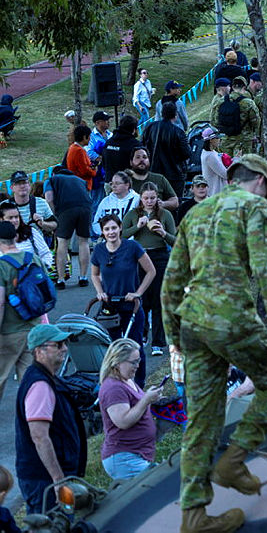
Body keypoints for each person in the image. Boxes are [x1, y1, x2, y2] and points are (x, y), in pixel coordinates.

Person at [163, 155, 267, 533]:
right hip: (232, 320)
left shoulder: (196, 212)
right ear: (261, 183)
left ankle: (193, 515)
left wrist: (173, 335)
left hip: (193, 325)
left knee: (201, 420)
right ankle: (233, 461)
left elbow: (172, 280)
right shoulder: (255, 206)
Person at [17, 324, 89, 514]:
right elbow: (39, 436)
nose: (64, 348)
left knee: (63, 521)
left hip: (50, 477)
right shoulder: (40, 385)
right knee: (53, 523)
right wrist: (58, 480)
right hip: (46, 482)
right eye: (58, 345)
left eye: (64, 343)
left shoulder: (47, 378)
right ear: (39, 351)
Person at [90, 212, 155, 384]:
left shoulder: (132, 247)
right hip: (110, 307)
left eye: (114, 228)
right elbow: (95, 274)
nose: (111, 232)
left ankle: (138, 385)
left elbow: (151, 271)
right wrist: (100, 291)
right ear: (102, 232)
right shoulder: (99, 250)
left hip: (131, 306)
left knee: (134, 348)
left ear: (120, 228)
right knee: (114, 349)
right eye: (107, 229)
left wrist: (138, 293)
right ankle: (118, 384)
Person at [122, 183, 175, 356]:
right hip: (139, 256)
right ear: (141, 198)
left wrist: (163, 233)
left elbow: (176, 240)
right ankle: (142, 334)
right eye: (146, 198)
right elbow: (121, 235)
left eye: (152, 198)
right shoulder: (133, 214)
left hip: (159, 255)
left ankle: (158, 341)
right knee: (141, 297)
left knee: (159, 299)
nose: (149, 201)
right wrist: (137, 226)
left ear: (157, 197)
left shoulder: (165, 214)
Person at [98, 338, 162, 480]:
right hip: (124, 458)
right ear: (117, 362)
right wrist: (146, 400)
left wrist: (152, 400)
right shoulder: (113, 388)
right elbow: (123, 421)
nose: (138, 365)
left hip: (134, 454)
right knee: (161, 484)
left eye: (138, 360)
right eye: (133, 362)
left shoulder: (126, 379)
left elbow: (136, 407)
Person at [0, 221, 37, 404]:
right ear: (15, 237)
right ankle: (31, 415)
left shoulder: (1, 266)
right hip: (34, 329)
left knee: (1, 377)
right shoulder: (32, 259)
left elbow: (0, 303)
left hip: (9, 331)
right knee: (28, 381)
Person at [45, 164, 92, 288]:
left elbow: (49, 198)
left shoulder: (51, 179)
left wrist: (54, 216)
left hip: (66, 209)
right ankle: (83, 277)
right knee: (83, 242)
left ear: (54, 173)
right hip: (85, 208)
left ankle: (61, 280)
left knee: (63, 242)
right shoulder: (80, 180)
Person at [127, 145, 179, 211]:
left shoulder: (160, 179)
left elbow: (175, 201)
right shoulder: (124, 181)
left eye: (144, 157)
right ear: (131, 162)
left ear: (149, 161)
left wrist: (163, 204)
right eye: (138, 157)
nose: (142, 160)